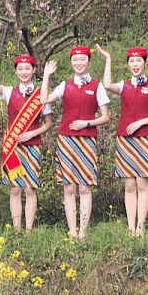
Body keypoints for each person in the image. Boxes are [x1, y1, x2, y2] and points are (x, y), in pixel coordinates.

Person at [0, 42, 54, 232]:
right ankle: (16, 230)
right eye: (20, 69)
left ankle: (28, 231)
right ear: (15, 71)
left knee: (30, 188)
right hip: (12, 147)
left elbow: (49, 123)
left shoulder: (41, 94)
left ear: (33, 70)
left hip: (33, 145)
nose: (24, 72)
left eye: (27, 68)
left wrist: (32, 133)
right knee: (15, 188)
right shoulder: (9, 91)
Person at [41, 45, 111, 239]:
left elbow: (105, 117)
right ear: (71, 62)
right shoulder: (65, 85)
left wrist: (86, 123)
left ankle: (83, 232)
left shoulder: (97, 86)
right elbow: (44, 100)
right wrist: (46, 75)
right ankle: (72, 232)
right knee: (69, 187)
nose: (79, 63)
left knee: (85, 186)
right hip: (66, 140)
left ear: (88, 61)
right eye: (75, 60)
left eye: (82, 59)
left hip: (87, 140)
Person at [105, 46, 148, 237]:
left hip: (144, 139)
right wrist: (108, 58)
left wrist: (141, 122)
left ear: (145, 63)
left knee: (142, 182)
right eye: (131, 61)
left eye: (138, 60)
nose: (135, 64)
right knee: (129, 184)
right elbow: (107, 85)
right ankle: (131, 227)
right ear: (128, 64)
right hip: (125, 139)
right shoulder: (124, 86)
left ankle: (141, 226)